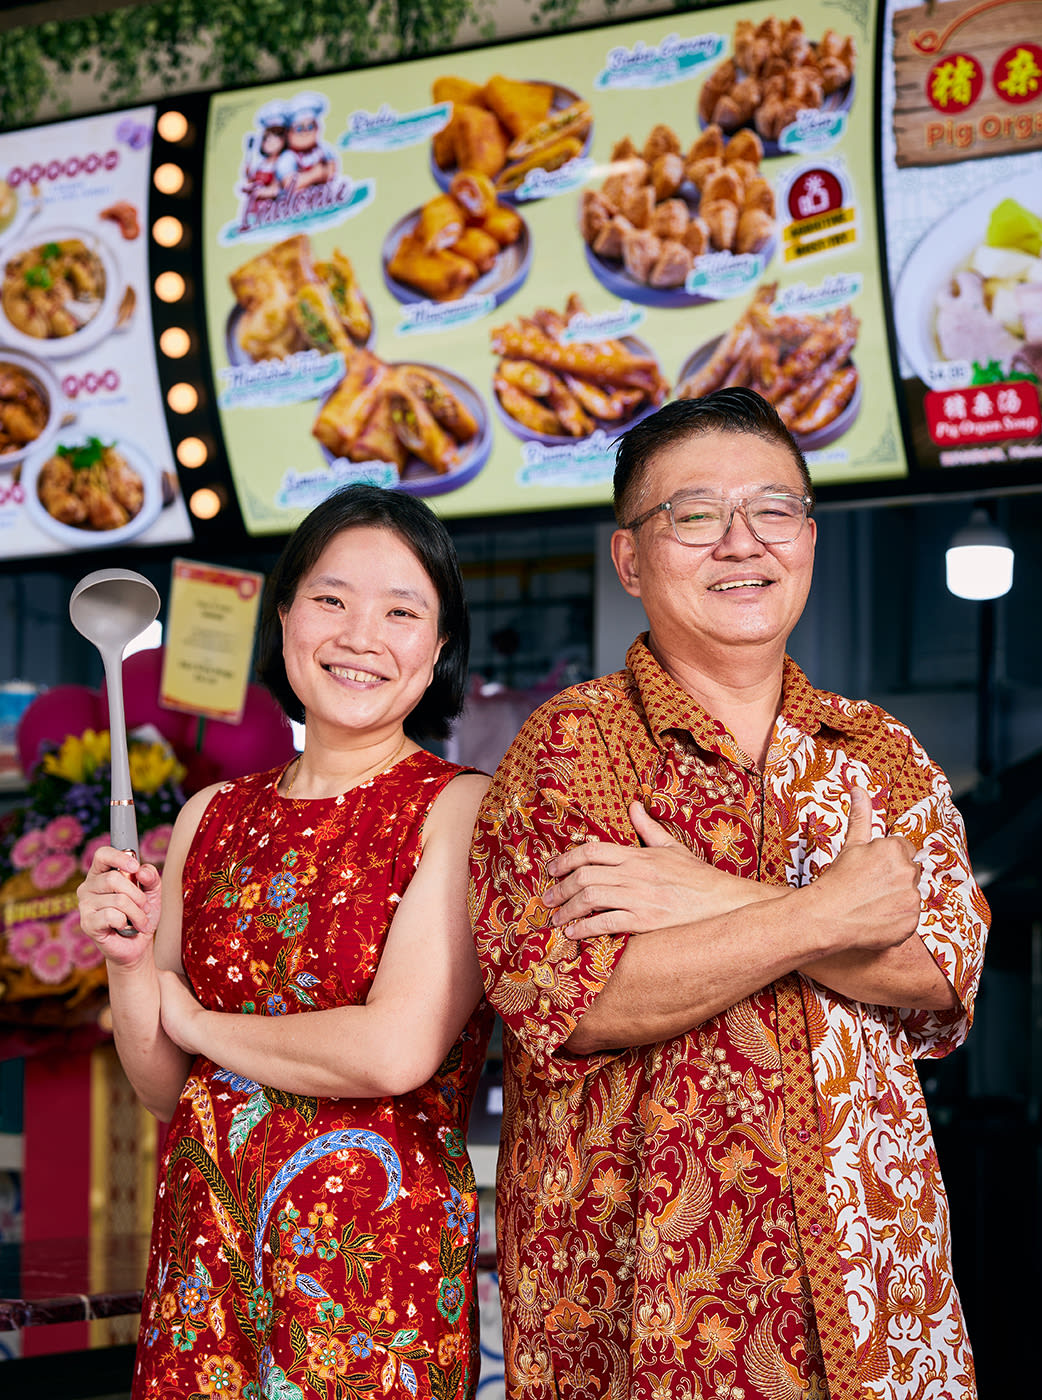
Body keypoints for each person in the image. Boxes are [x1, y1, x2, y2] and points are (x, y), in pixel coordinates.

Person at [469, 388, 987, 1400]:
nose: (741, 542)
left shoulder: (878, 750)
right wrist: (828, 912)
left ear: (808, 537)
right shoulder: (570, 749)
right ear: (629, 559)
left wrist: (701, 894)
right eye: (695, 514)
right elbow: (571, 1001)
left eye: (773, 509)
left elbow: (940, 968)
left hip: (875, 1287)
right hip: (640, 1299)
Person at [79, 484, 492, 1400]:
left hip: (372, 1282)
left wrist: (196, 1022)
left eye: (401, 611)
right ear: (284, 618)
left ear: (437, 649)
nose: (360, 636)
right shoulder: (210, 816)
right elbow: (168, 1091)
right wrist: (128, 959)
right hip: (203, 1265)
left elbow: (392, 1051)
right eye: (330, 599)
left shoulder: (459, 808)